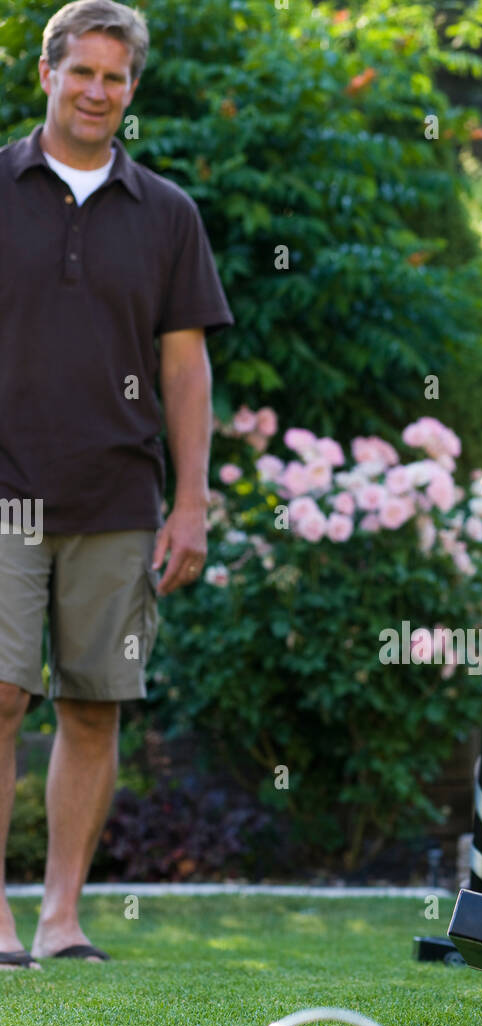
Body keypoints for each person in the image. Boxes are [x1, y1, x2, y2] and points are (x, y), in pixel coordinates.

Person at [0, 0, 233, 969]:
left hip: (117, 501)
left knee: (94, 705)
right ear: (44, 73)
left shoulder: (167, 213)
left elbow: (185, 368)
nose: (97, 91)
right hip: (3, 495)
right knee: (2, 695)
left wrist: (189, 501)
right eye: (81, 71)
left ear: (132, 88)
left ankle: (61, 917)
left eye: (115, 76)